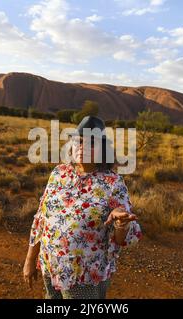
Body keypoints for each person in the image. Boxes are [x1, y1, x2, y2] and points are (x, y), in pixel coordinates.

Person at [23, 116, 142, 299]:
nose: (82, 147)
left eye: (91, 143)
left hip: (84, 275)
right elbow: (40, 218)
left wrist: (120, 223)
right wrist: (30, 259)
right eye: (78, 141)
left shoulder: (112, 183)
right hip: (51, 266)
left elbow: (121, 239)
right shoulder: (59, 173)